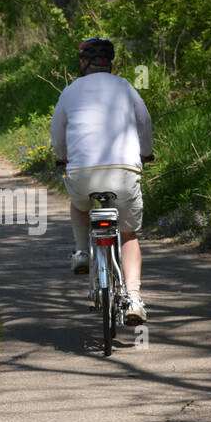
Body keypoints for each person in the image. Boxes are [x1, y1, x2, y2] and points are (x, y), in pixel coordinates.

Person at [50, 37, 154, 326]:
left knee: (79, 205)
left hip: (82, 172)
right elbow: (144, 122)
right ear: (111, 63)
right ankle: (133, 298)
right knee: (129, 235)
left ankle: (82, 252)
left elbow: (57, 131)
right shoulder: (125, 87)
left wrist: (62, 157)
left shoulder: (70, 91)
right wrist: (146, 153)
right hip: (123, 171)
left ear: (83, 64)